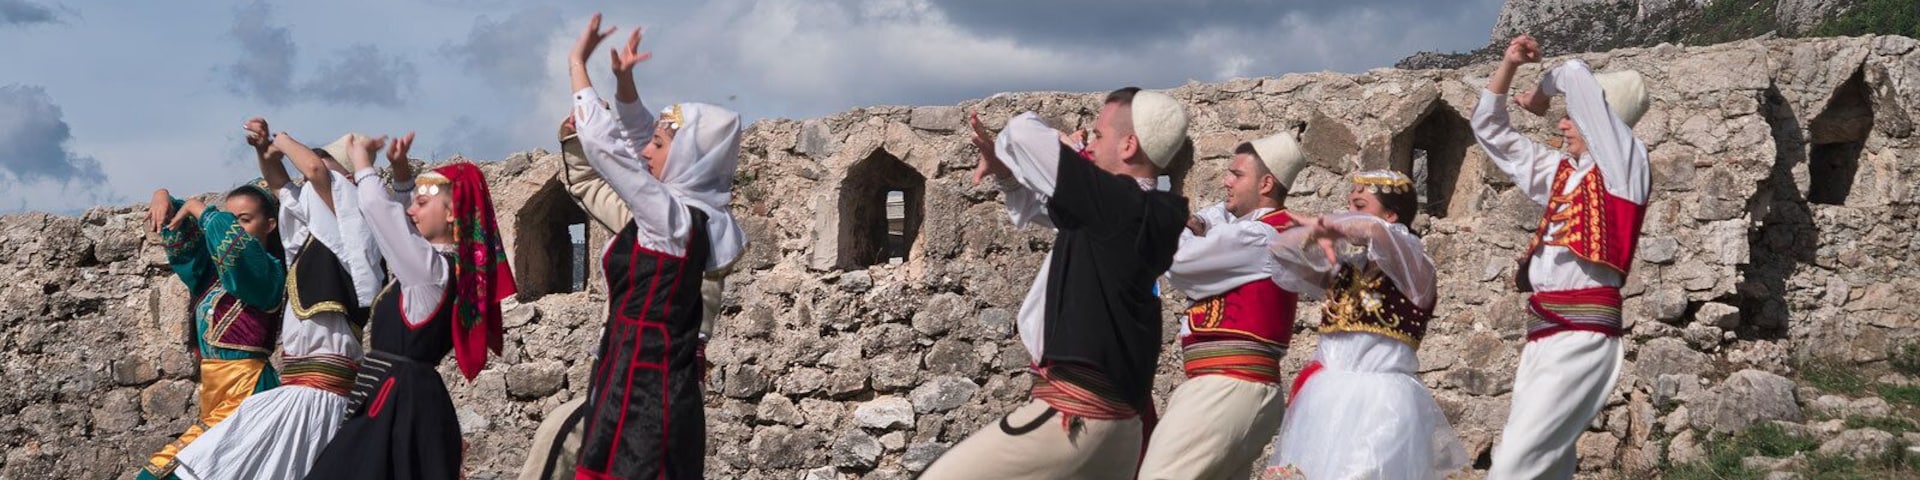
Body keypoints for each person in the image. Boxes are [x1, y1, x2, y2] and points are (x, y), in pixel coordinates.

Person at [917, 87, 1190, 480]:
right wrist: (1009, 174)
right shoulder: (1145, 212)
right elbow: (1052, 209)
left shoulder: (1113, 203)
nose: (1090, 144)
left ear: (1129, 145)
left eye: (1098, 135)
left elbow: (1021, 132)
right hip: (1122, 429)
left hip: (1076, 415)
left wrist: (1069, 153)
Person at [561, 13, 748, 479]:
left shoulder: (670, 218)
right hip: (634, 368)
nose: (646, 151)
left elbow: (606, 149)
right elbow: (640, 135)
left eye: (660, 145)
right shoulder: (691, 212)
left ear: (685, 158)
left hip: (645, 382)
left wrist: (577, 66)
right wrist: (625, 85)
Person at [516, 113, 738, 480]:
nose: (646, 154)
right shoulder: (649, 221)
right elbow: (589, 184)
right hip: (620, 372)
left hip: (656, 383)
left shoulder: (688, 226)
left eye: (659, 146)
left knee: (563, 438)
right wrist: (575, 139)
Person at [1474, 34, 1652, 479]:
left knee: (1513, 466)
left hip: (1582, 334)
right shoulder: (1564, 174)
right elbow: (1492, 132)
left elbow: (1573, 71)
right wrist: (1509, 66)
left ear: (1603, 120)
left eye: (1572, 117)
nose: (1563, 125)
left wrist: (1539, 93)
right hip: (1544, 334)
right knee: (1548, 468)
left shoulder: (1623, 166)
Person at [170, 121, 385, 480]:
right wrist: (262, 149)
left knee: (221, 464)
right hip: (299, 385)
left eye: (324, 174)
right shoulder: (314, 236)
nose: (310, 180)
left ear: (346, 183)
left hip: (319, 391)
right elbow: (280, 185)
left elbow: (314, 170)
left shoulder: (353, 235)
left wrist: (282, 139)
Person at [302, 135, 517, 480]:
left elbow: (381, 214)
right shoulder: (439, 268)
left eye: (420, 203)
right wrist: (401, 175)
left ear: (450, 214)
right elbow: (404, 227)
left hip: (397, 404)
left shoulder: (428, 271)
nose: (411, 210)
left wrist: (363, 164)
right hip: (406, 397)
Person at [1259, 170, 1469, 480]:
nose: (1345, 214)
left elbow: (1377, 233)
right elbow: (1280, 252)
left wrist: (1335, 225)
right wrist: (1313, 233)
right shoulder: (1346, 271)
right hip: (1324, 403)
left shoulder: (1415, 269)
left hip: (1382, 404)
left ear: (1392, 215)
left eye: (1359, 205)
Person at [1140, 133, 1309, 480]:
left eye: (1236, 174)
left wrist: (1186, 226)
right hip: (1232, 385)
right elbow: (1217, 225)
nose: (1225, 181)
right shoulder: (1256, 231)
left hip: (1228, 384)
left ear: (1266, 183)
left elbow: (1180, 261)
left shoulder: (1261, 236)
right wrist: (1204, 223)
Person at [137, 181, 287, 480]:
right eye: (230, 221)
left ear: (270, 224)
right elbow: (187, 245)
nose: (234, 228)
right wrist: (164, 195)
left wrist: (199, 208)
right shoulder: (212, 275)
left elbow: (238, 255)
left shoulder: (267, 273)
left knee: (159, 475)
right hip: (216, 391)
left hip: (247, 392)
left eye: (243, 220)